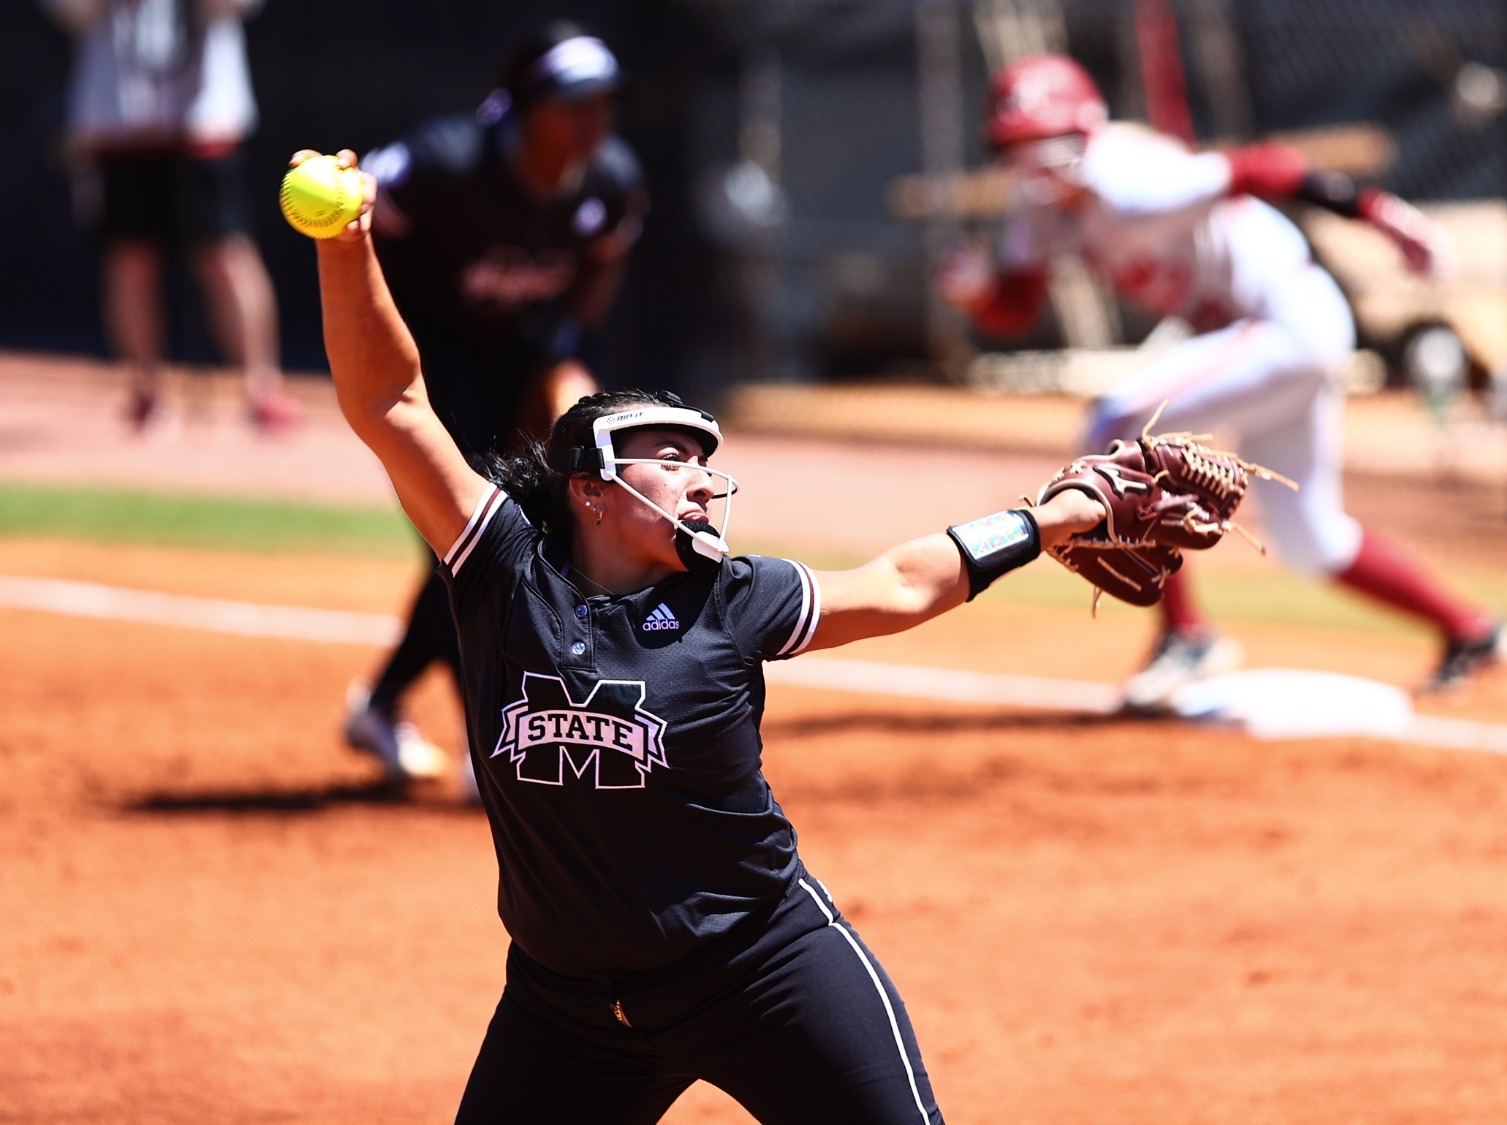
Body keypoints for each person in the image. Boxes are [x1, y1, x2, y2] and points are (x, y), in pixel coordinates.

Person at [300, 145, 1111, 1123]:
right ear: (590, 490)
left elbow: (898, 584)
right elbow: (391, 405)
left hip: (759, 971)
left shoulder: (734, 596)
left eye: (706, 459)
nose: (700, 476)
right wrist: (346, 245)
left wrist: (1044, 521)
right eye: (670, 456)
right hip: (568, 1009)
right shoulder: (503, 573)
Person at [936, 54, 1507, 709]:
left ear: (1084, 131)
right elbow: (1016, 305)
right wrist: (981, 294)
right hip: (1259, 339)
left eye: (1045, 143)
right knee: (1311, 541)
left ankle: (1187, 636)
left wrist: (1382, 215)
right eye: (1018, 149)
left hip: (1284, 318)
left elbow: (1264, 166)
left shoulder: (1130, 178)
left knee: (1116, 423)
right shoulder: (1041, 207)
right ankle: (1473, 628)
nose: (1033, 164)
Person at [340, 23, 650, 784]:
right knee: (469, 532)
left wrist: (564, 348)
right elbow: (361, 220)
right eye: (574, 103)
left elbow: (602, 263)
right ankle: (488, 738)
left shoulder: (609, 180)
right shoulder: (446, 163)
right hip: (426, 358)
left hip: (517, 354)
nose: (594, 120)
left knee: (513, 531)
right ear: (522, 106)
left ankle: (384, 702)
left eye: (604, 102)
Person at [40, 0, 298, 434]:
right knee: (132, 258)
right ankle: (146, 392)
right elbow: (71, 12)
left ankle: (263, 390)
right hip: (117, 116)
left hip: (206, 116)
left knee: (226, 254)